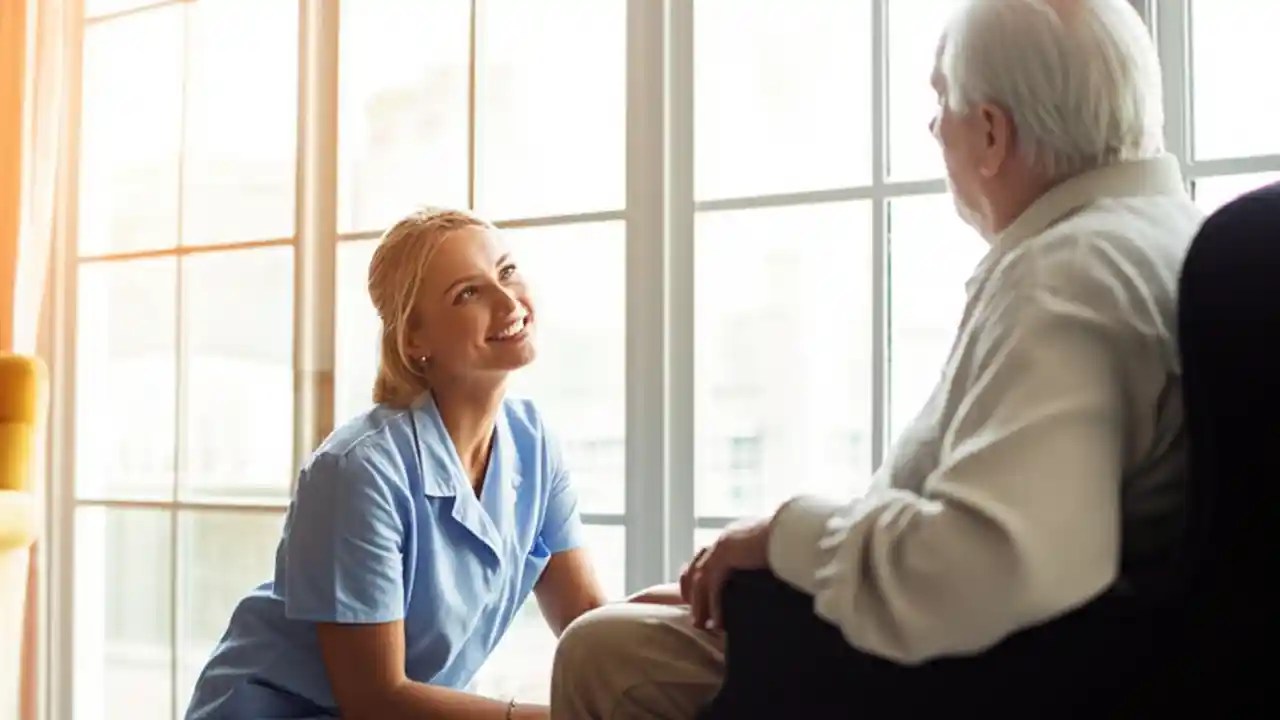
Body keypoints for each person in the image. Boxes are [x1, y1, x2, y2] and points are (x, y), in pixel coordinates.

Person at [550, 0, 1202, 717]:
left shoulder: (1070, 274)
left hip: (965, 677)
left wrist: (781, 538)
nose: (933, 129)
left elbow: (986, 567)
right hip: (1029, 653)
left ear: (991, 133)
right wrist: (788, 576)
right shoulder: (1163, 238)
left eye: (941, 104)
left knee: (602, 650)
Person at [185, 207, 608, 720]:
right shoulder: (357, 471)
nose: (506, 300)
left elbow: (587, 619)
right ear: (414, 339)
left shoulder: (533, 439)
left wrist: (695, 606)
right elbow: (377, 699)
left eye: (507, 271)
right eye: (468, 293)